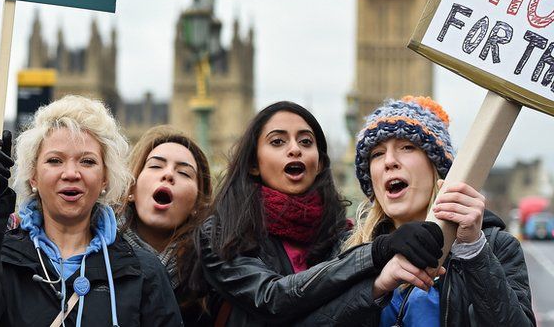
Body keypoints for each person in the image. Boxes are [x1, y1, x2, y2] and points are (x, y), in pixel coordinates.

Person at [193, 101, 445, 326]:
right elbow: (271, 299)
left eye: (306, 142)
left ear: (320, 163)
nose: (295, 149)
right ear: (252, 163)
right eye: (278, 141)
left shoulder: (342, 236)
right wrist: (375, 254)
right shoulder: (222, 232)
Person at [0, 95, 183, 326]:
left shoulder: (143, 273)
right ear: (33, 176)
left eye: (87, 161)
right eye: (55, 160)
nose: (70, 173)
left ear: (105, 178)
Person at [334, 96, 535, 326]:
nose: (389, 161)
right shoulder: (348, 250)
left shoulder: (497, 247)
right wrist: (376, 288)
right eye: (377, 154)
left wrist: (474, 253)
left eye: (407, 147)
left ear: (437, 170)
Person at [117, 125, 213, 325]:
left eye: (184, 173)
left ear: (197, 203)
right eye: (155, 166)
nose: (168, 174)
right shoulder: (94, 259)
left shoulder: (216, 275)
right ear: (131, 189)